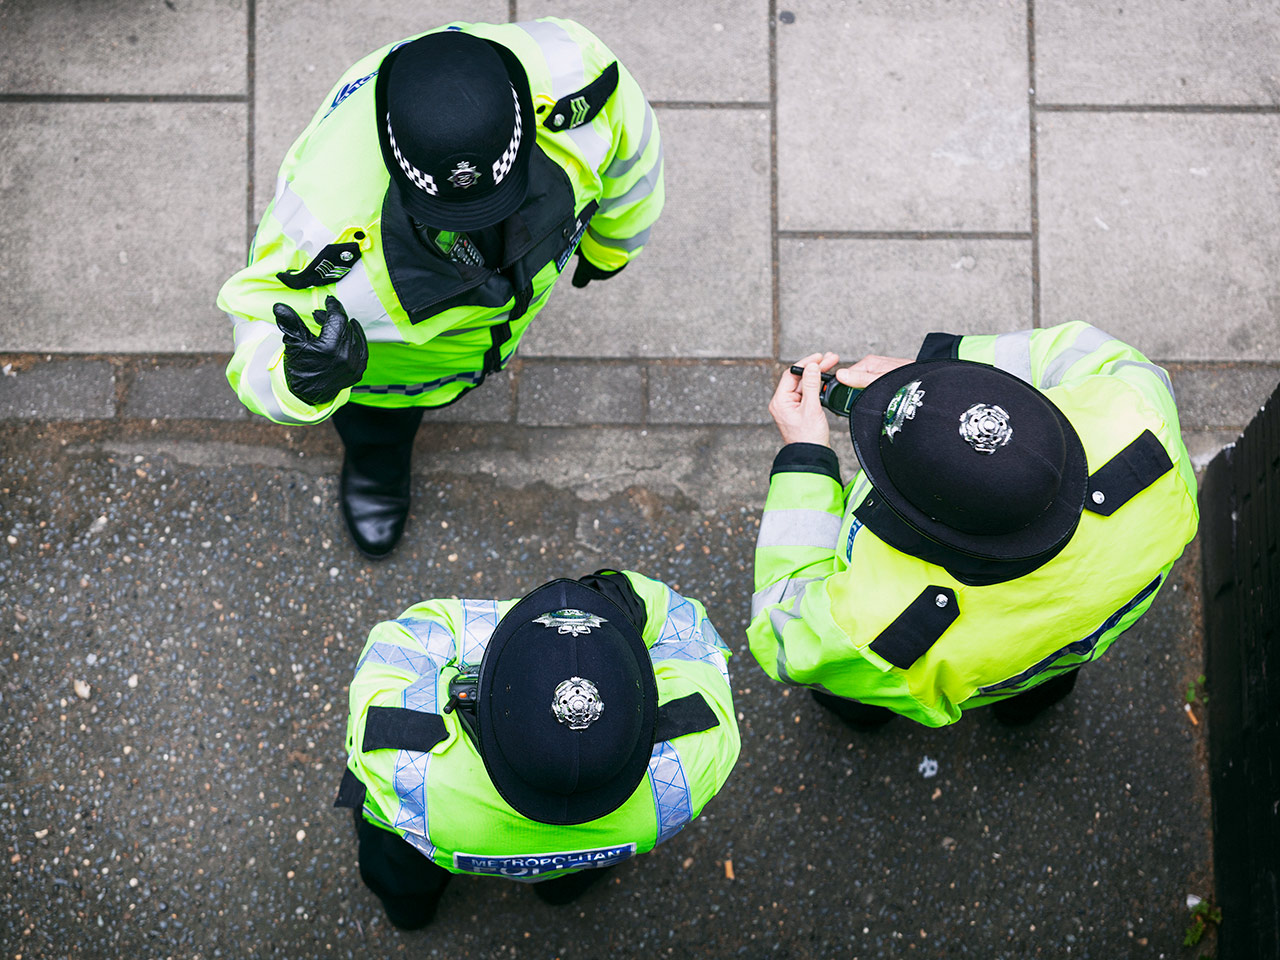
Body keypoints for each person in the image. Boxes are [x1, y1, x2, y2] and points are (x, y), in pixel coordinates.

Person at [218, 19, 663, 558]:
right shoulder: (318, 228)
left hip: (469, 340)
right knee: (377, 426)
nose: (477, 226)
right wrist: (298, 379)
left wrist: (614, 242)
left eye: (496, 201)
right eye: (450, 212)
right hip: (388, 376)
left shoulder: (577, 75)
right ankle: (377, 466)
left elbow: (634, 156)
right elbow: (255, 322)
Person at [747, 322, 1199, 727]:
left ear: (929, 520)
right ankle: (1024, 714)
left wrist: (805, 455)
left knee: (852, 690)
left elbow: (784, 634)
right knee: (1041, 681)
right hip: (1077, 631)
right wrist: (947, 375)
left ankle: (864, 721)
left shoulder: (881, 627)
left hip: (904, 666)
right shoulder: (1141, 424)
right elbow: (1088, 351)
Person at [335, 570, 739, 928]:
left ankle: (410, 912)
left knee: (396, 861)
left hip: (430, 839)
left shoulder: (407, 764)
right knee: (573, 871)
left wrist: (528, 641)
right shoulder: (688, 763)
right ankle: (560, 890)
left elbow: (403, 644)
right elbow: (685, 630)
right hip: (590, 851)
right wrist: (609, 614)